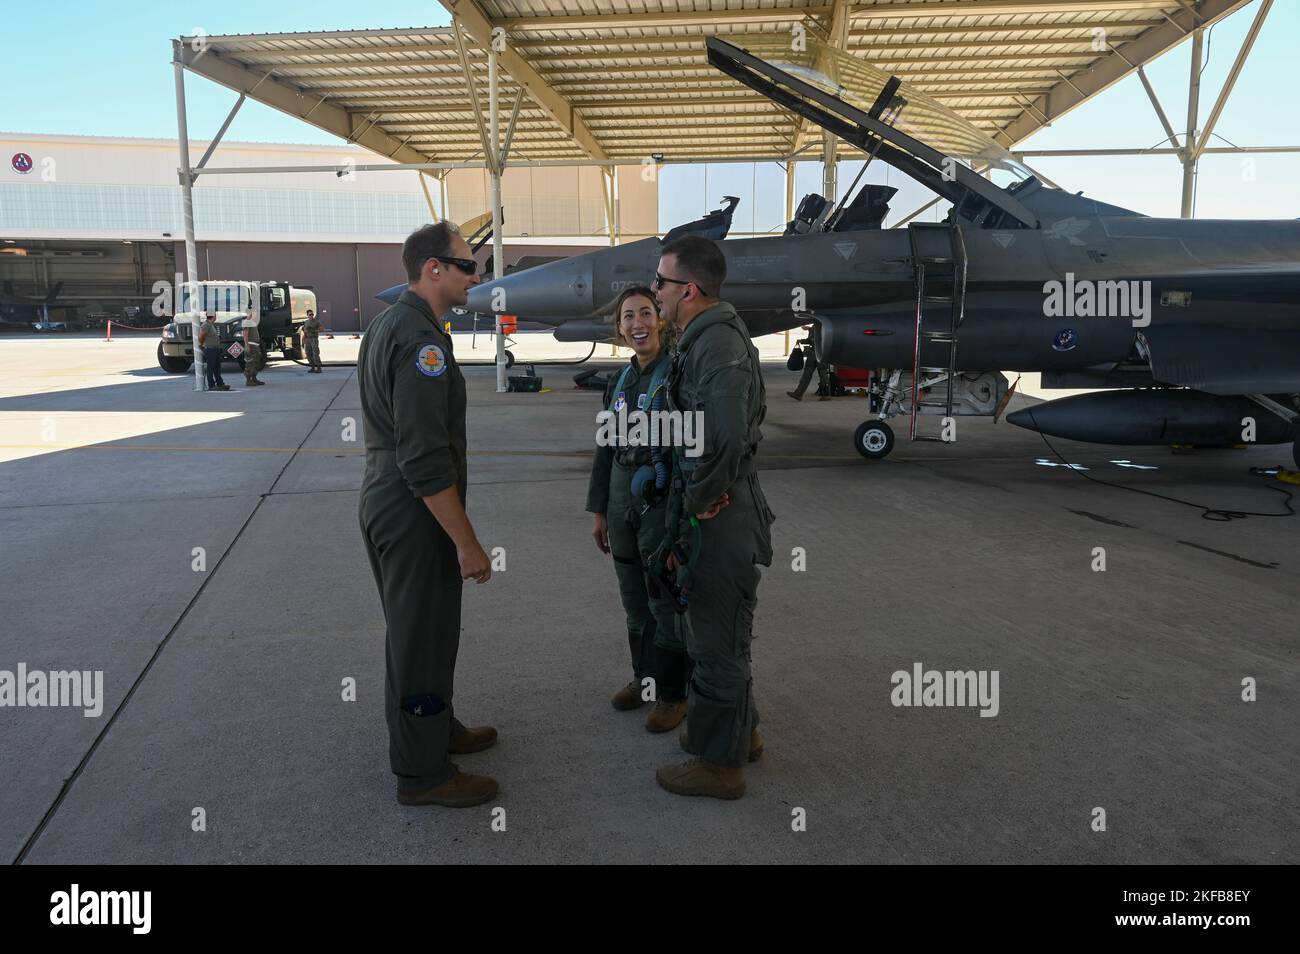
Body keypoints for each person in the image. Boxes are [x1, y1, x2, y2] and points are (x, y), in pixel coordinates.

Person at [357, 221, 498, 808]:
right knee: (419, 637)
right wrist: (466, 542)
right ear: (433, 269)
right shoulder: (424, 344)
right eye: (469, 265)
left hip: (392, 496)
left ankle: (437, 728)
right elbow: (423, 459)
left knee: (431, 627)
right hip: (415, 507)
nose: (477, 276)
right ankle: (422, 774)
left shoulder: (393, 322)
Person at [651, 235, 774, 800]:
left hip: (720, 514)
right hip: (712, 503)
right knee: (721, 631)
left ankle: (720, 766)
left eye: (662, 283)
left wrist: (700, 500)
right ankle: (737, 732)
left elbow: (722, 437)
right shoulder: (699, 339)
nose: (656, 292)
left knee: (716, 639)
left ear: (689, 290)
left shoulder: (715, 343)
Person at [586, 286, 691, 734]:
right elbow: (605, 447)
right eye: (628, 317)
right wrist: (599, 510)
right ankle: (643, 680)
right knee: (632, 597)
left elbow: (690, 452)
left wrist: (680, 521)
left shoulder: (679, 376)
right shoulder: (619, 381)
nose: (637, 324)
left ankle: (672, 695)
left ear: (661, 320)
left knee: (663, 596)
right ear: (619, 328)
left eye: (646, 313)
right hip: (620, 494)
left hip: (661, 500)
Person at [788, 323, 830, 401]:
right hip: (813, 355)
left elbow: (816, 340)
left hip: (821, 355)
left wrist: (810, 329)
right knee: (807, 375)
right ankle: (798, 393)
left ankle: (825, 395)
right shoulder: (816, 326)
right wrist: (802, 340)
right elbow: (810, 340)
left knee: (823, 375)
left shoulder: (824, 327)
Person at [197, 310, 230, 391]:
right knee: (211, 367)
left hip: (215, 349)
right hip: (210, 349)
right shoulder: (206, 325)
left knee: (217, 367)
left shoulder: (211, 325)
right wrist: (201, 344)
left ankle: (220, 383)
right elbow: (201, 336)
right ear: (213, 315)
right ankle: (211, 385)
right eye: (215, 315)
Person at [242, 305, 265, 386]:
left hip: (255, 345)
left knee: (256, 362)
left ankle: (254, 378)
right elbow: (245, 334)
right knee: (250, 362)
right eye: (255, 312)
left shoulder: (252, 322)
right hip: (251, 345)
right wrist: (247, 345)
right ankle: (249, 379)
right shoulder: (247, 322)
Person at [301, 308, 324, 373]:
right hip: (308, 339)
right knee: (308, 354)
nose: (311, 315)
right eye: (310, 314)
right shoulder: (306, 322)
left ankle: (319, 368)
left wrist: (315, 330)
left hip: (314, 339)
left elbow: (322, 329)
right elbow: (305, 331)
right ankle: (312, 367)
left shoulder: (316, 322)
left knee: (315, 353)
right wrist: (303, 340)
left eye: (312, 314)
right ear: (307, 315)